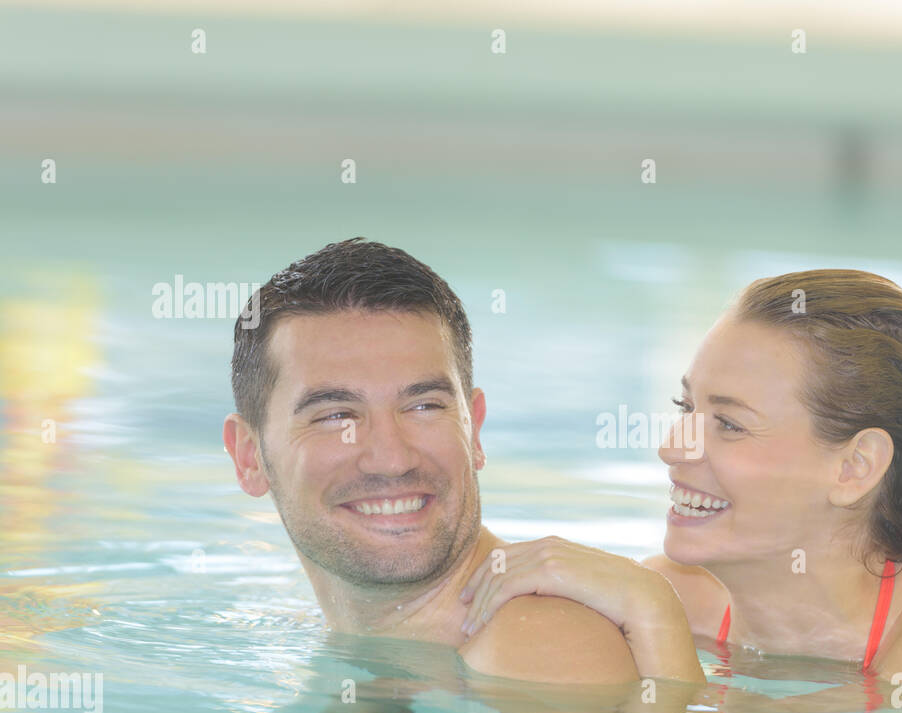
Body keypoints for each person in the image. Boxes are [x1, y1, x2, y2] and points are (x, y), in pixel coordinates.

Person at [460, 269, 902, 683]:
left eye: (731, 425)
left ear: (854, 467)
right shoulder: (677, 592)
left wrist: (653, 616)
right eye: (686, 408)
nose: (672, 448)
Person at [221, 238, 704, 685]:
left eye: (424, 406)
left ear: (473, 427)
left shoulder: (531, 645)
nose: (391, 459)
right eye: (336, 415)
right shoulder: (341, 629)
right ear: (249, 457)